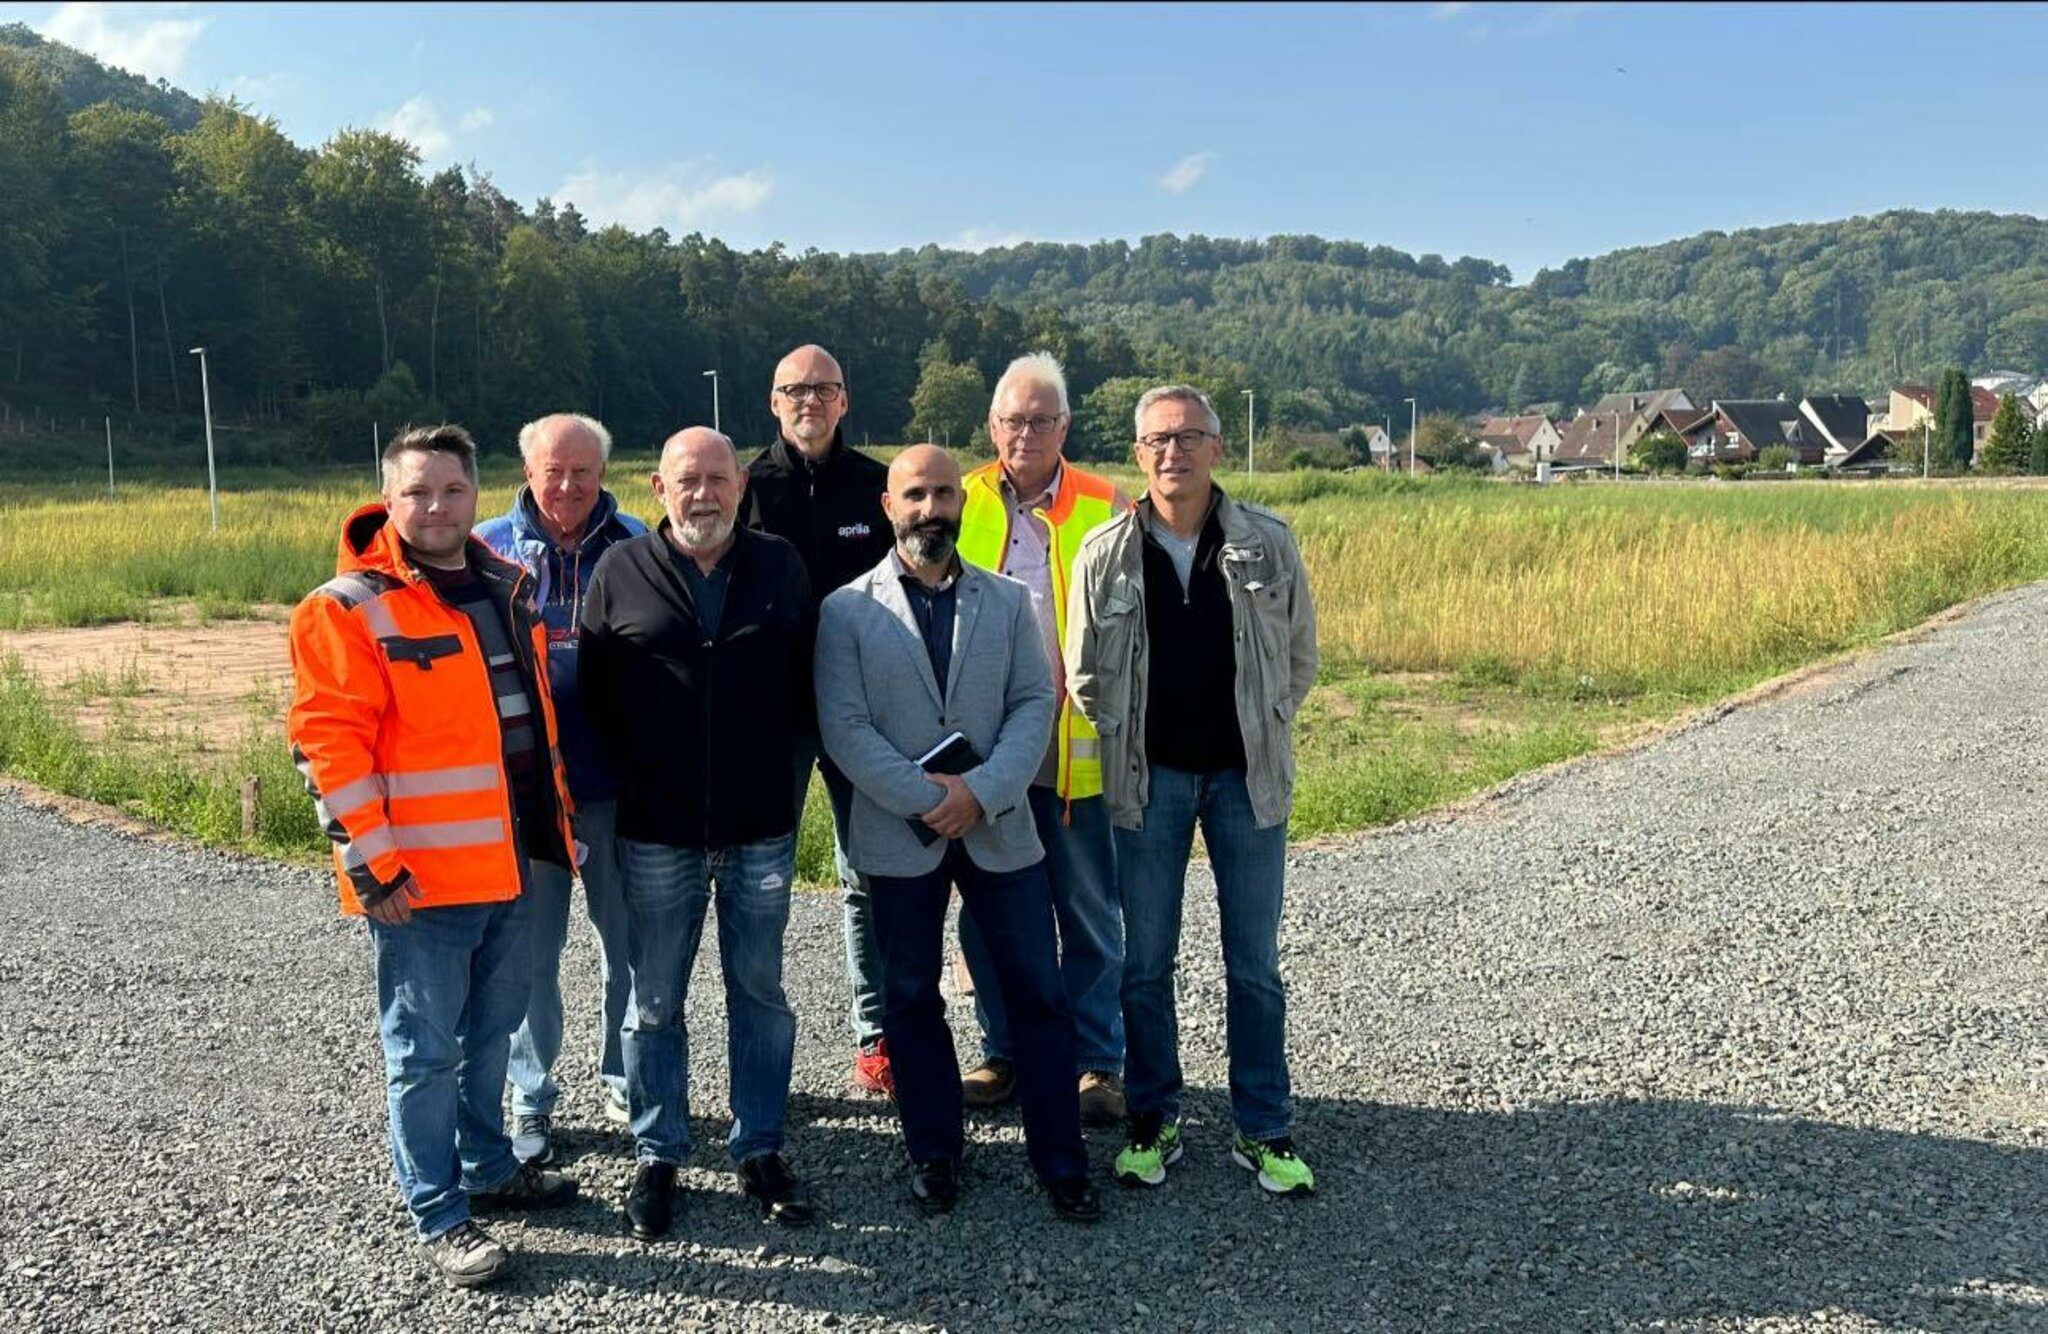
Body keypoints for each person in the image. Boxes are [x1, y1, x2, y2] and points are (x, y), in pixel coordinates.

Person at [286, 424, 580, 1290]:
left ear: (475, 496)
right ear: (389, 499)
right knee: (423, 1052)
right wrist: (372, 867)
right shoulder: (348, 606)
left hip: (516, 864)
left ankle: (489, 1169)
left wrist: (561, 830)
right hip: (420, 881)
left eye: (451, 491)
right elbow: (328, 748)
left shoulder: (502, 587)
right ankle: (440, 1211)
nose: (436, 507)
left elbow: (523, 731)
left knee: (491, 1036)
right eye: (417, 493)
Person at [815, 444, 1101, 1223]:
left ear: (962, 505)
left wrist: (980, 793)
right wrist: (927, 798)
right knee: (910, 998)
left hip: (1001, 830)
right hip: (898, 837)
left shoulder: (1010, 603)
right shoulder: (846, 611)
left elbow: (1033, 705)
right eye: (915, 495)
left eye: (944, 494)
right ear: (889, 506)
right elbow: (844, 727)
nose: (930, 509)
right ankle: (934, 1153)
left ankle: (1061, 1160)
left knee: (1038, 996)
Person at [1065, 385, 1321, 1197]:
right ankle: (1153, 1116)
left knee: (1254, 966)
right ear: (1137, 455)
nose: (1172, 452)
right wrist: (1137, 737)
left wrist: (1260, 726)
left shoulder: (1268, 544)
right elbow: (1084, 678)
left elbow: (1300, 661)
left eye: (1188, 437)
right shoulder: (1105, 552)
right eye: (1156, 440)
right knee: (1144, 962)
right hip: (1151, 784)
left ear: (1216, 448)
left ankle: (1263, 1125)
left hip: (1248, 782)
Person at [580, 426, 817, 1241]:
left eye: (719, 478)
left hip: (759, 829)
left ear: (742, 486)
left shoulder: (780, 567)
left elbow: (804, 692)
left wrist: (778, 787)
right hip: (657, 831)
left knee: (760, 993)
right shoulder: (619, 571)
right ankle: (660, 1154)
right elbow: (596, 699)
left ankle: (758, 1146)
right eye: (688, 479)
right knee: (654, 1001)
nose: (704, 493)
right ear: (658, 486)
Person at [953, 352, 1129, 1125]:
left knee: (1086, 908)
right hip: (982, 746)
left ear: (1066, 427)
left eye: (1043, 420)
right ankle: (1003, 1052)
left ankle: (1097, 1063)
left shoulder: (1106, 502)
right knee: (987, 909)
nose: (1027, 433)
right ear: (992, 426)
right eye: (1014, 420)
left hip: (1074, 746)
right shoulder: (957, 500)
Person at [474, 412, 646, 1165]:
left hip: (620, 789)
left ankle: (627, 1079)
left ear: (603, 473)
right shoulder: (486, 549)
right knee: (529, 958)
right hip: (528, 795)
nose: (568, 485)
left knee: (631, 951)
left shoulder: (639, 543)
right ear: (527, 470)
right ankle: (531, 1096)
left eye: (582, 471)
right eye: (553, 471)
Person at [741, 343, 897, 1098]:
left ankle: (879, 1037)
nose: (810, 400)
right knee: (760, 880)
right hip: (770, 716)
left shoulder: (879, 488)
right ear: (774, 401)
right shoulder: (741, 485)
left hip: (863, 710)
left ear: (845, 400)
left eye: (824, 389)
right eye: (795, 389)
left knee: (866, 874)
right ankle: (761, 1055)